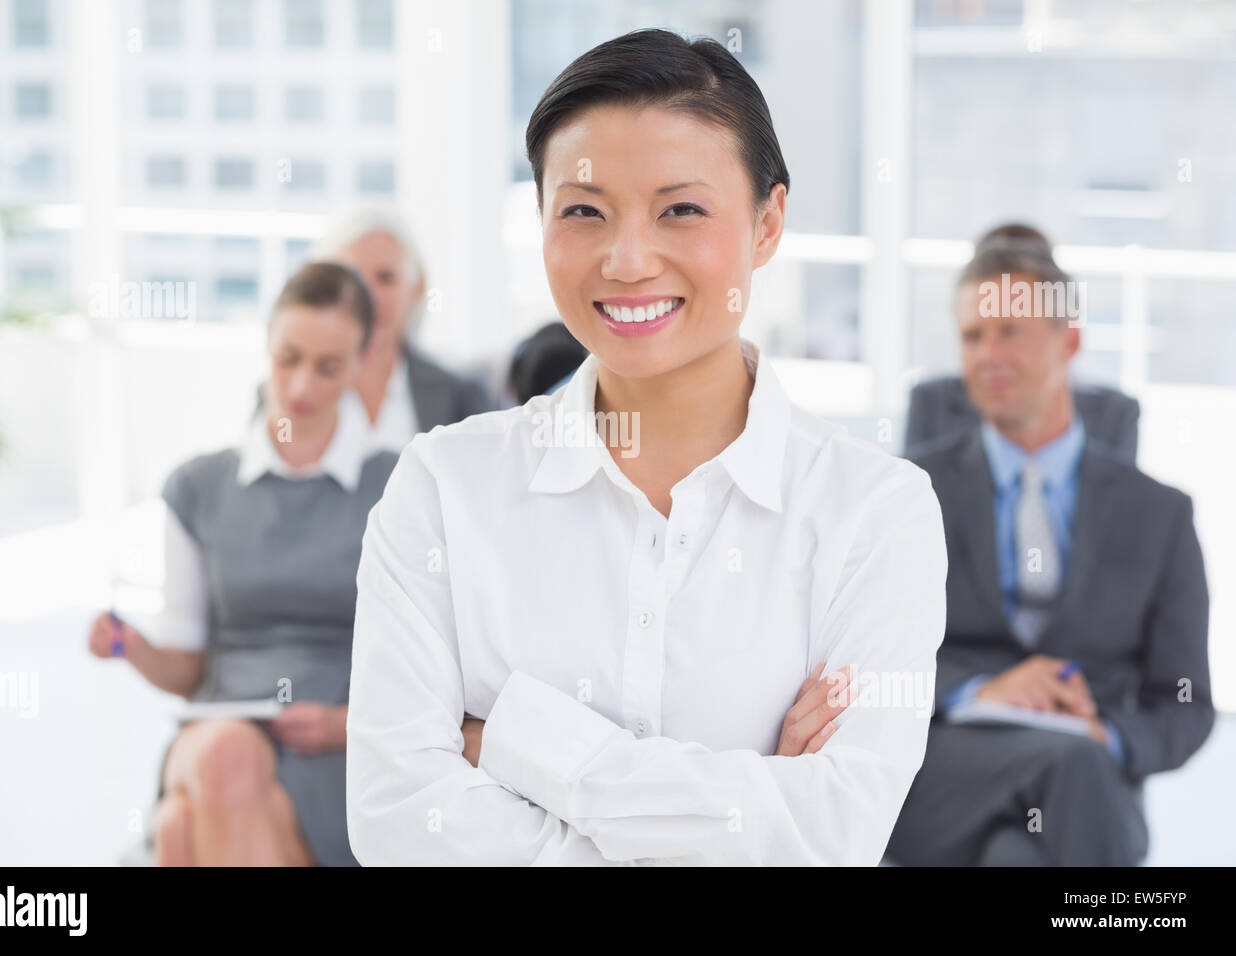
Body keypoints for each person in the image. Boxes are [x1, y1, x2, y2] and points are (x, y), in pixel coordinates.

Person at [345, 28, 947, 865]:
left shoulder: (877, 514)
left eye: (682, 210)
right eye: (585, 212)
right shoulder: (443, 490)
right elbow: (401, 824)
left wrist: (522, 743)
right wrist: (739, 806)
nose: (627, 260)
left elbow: (835, 831)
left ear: (768, 223)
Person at [885, 224, 1214, 866]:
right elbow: (868, 664)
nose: (988, 355)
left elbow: (1186, 700)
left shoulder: (1160, 514)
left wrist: (1109, 735)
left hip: (1080, 785)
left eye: (1011, 331)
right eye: (973, 336)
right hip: (947, 772)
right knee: (1071, 767)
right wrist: (982, 690)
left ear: (1071, 341)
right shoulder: (909, 491)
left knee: (1017, 856)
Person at [88, 262, 397, 866]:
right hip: (218, 730)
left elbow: (435, 666)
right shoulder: (199, 487)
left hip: (341, 743)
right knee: (224, 756)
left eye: (328, 367)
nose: (302, 387)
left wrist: (344, 724)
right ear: (265, 345)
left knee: (180, 828)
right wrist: (128, 645)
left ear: (363, 362)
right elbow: (186, 668)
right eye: (289, 359)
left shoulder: (399, 483)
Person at [275, 206, 496, 447]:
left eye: (386, 278)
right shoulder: (286, 392)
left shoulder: (460, 394)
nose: (369, 295)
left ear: (417, 288)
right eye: (354, 277)